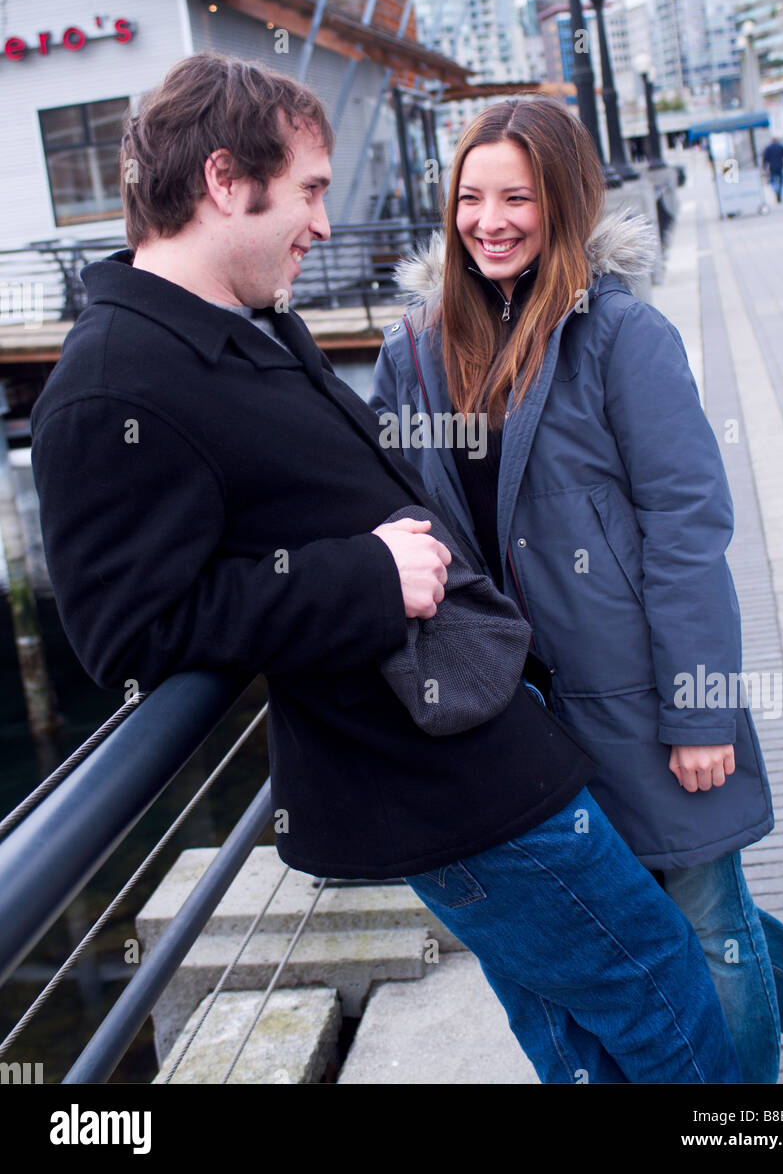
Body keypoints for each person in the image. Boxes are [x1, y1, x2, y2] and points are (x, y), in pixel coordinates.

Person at [28, 53, 741, 1086]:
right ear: (228, 180)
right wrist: (362, 576)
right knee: (666, 1001)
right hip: (441, 780)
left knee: (577, 1037)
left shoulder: (246, 320)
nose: (323, 224)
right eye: (310, 191)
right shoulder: (109, 387)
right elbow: (127, 631)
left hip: (472, 739)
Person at [370, 95, 783, 1085]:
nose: (489, 219)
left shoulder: (617, 338)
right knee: (636, 906)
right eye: (470, 196)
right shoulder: (411, 360)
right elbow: (383, 507)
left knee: (700, 914)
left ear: (564, 202)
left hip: (639, 697)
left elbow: (687, 529)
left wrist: (701, 709)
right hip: (508, 712)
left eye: (517, 195)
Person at [761, 135, 783, 202]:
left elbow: (765, 159)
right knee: (781, 181)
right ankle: (779, 191)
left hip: (772, 167)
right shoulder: (781, 147)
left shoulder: (768, 148)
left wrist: (764, 167)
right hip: (780, 166)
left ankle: (776, 190)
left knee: (772, 181)